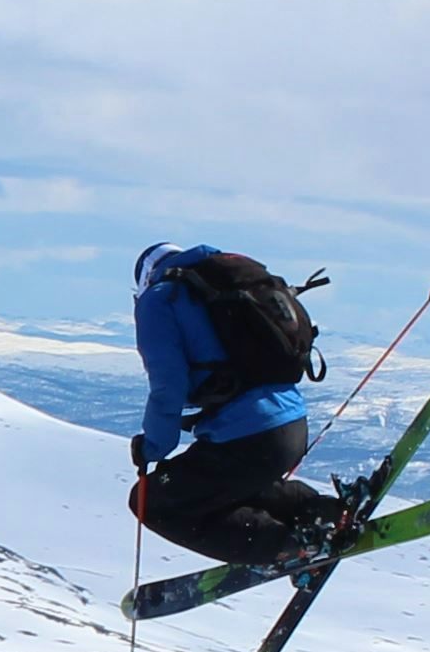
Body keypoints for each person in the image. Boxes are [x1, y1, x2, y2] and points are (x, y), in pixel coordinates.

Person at [127, 242, 359, 569]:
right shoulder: (220, 285)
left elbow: (168, 386)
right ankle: (320, 511)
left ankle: (288, 547)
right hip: (291, 424)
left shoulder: (161, 299)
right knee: (226, 484)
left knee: (150, 501)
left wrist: (151, 447)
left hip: (247, 437)